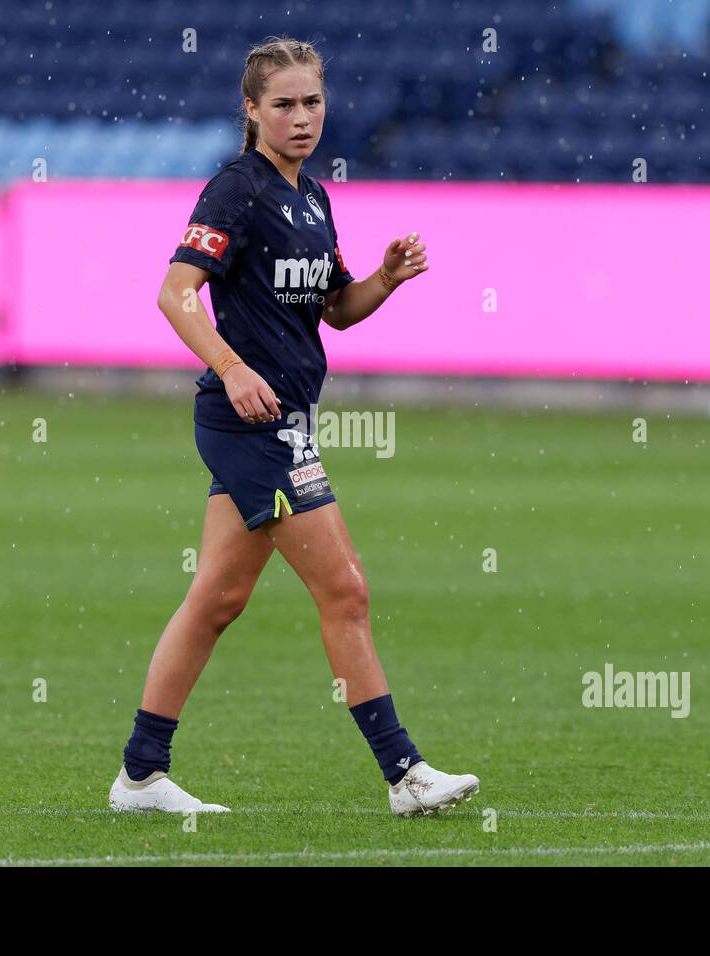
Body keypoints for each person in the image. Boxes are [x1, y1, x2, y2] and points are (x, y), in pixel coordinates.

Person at [109, 37, 480, 817]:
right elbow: (175, 294)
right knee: (345, 590)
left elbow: (336, 310)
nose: (301, 117)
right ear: (251, 110)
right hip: (255, 424)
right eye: (283, 104)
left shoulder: (311, 196)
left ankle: (141, 775)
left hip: (283, 421)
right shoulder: (234, 191)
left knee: (215, 599)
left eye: (312, 101)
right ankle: (404, 774)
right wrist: (235, 366)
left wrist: (383, 278)